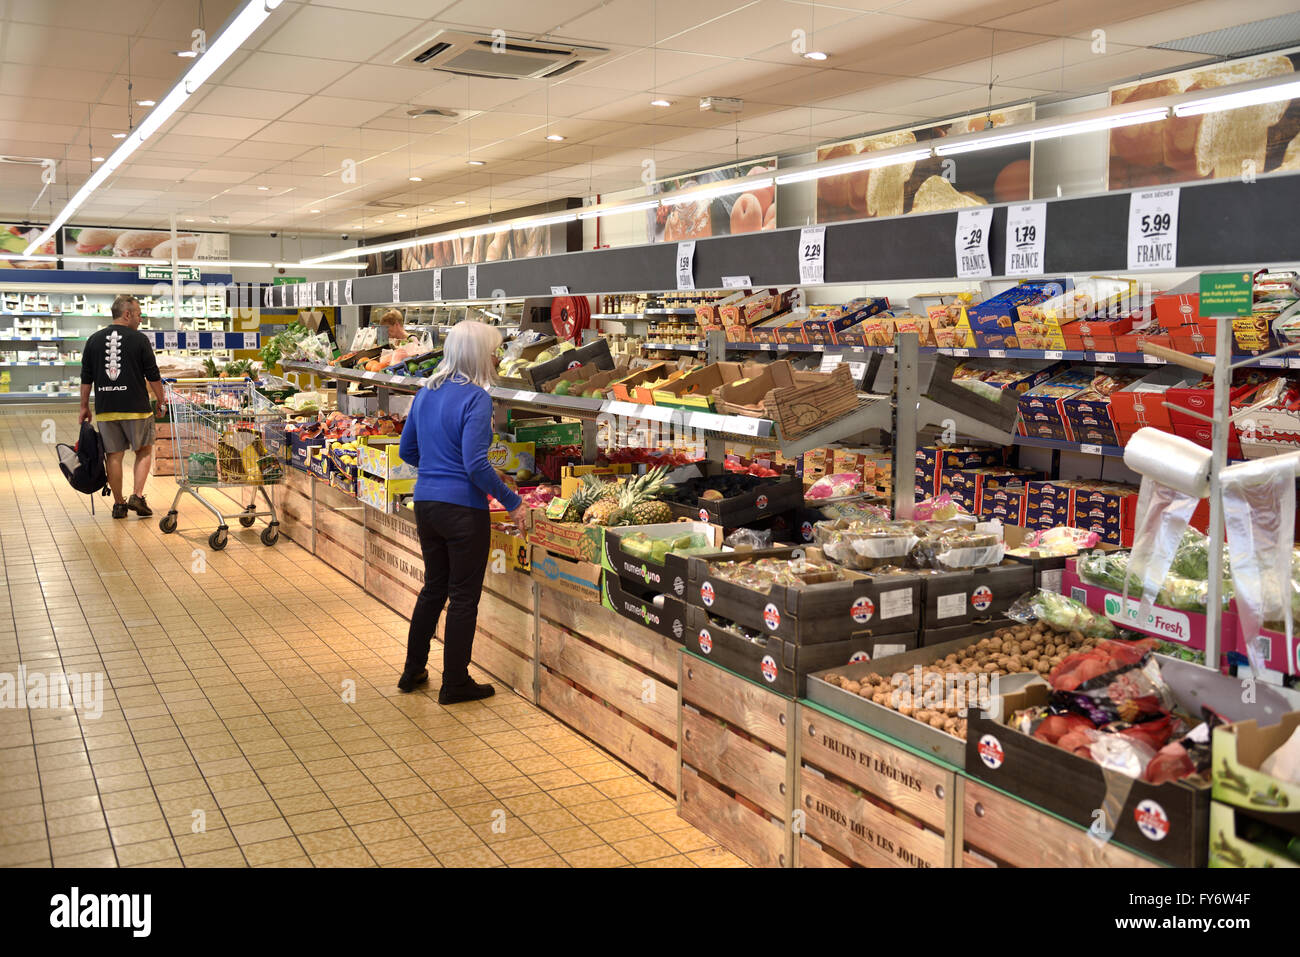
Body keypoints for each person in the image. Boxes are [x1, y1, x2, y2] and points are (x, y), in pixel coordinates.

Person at [397, 321, 528, 703]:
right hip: (462, 511)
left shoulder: (427, 391)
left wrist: (439, 468)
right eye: (492, 350)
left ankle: (412, 670)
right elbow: (474, 466)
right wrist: (514, 501)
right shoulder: (476, 398)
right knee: (463, 596)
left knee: (434, 588)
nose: (495, 357)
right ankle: (454, 682)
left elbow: (408, 452)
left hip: (427, 503)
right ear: (476, 353)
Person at [78, 295, 167, 520]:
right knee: (144, 450)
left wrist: (83, 407)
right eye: (138, 314)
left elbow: (86, 377)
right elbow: (153, 375)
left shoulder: (94, 340)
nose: (140, 319)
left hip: (107, 408)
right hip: (136, 406)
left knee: (113, 456)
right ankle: (137, 495)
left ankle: (119, 505)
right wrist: (162, 400)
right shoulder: (139, 339)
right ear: (127, 314)